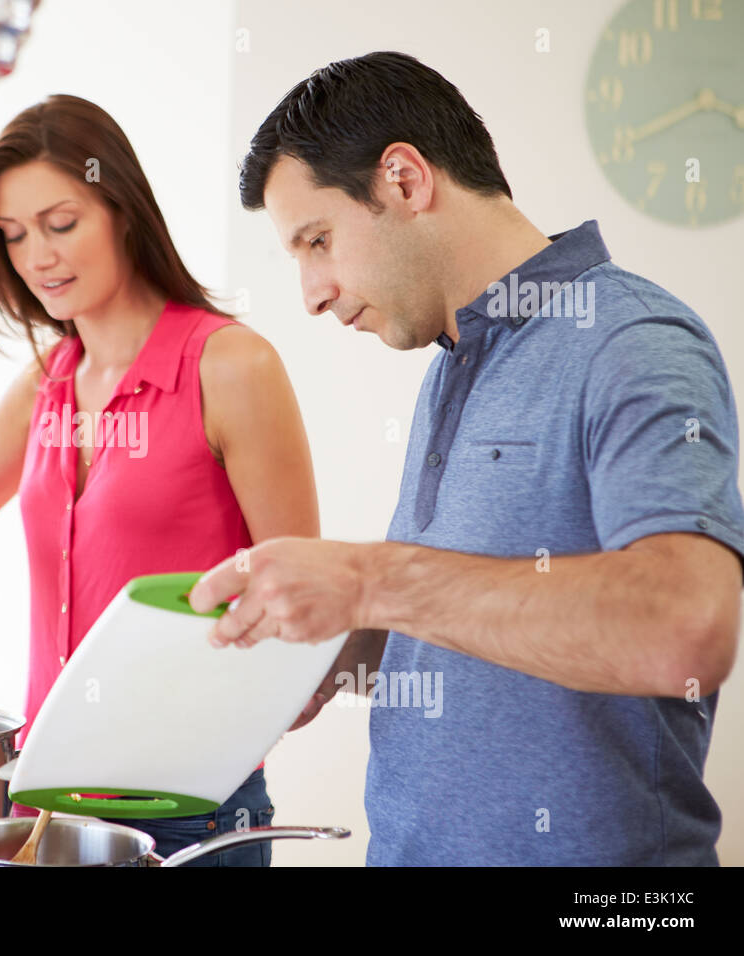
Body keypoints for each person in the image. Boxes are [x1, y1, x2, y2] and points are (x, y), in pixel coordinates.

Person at [189, 51, 744, 866]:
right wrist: (335, 650)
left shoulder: (633, 342)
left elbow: (686, 629)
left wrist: (369, 580)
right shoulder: (454, 360)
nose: (311, 292)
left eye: (318, 240)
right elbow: (478, 625)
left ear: (405, 180)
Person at [0, 94, 320, 865]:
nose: (38, 257)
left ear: (123, 211)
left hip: (191, 810)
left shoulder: (230, 367)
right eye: (14, 235)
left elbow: (304, 602)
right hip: (45, 804)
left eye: (62, 224)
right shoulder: (45, 383)